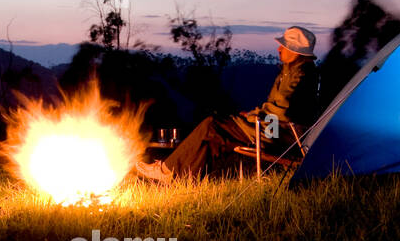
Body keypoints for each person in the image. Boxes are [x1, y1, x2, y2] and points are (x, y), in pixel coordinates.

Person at [136, 26, 319, 182]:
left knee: (211, 125)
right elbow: (274, 106)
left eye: (284, 46)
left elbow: (282, 112)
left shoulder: (300, 75)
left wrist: (254, 117)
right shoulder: (291, 71)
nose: (279, 49)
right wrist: (253, 114)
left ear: (295, 51)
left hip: (278, 133)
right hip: (275, 128)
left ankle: (166, 171)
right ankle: (181, 178)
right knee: (216, 134)